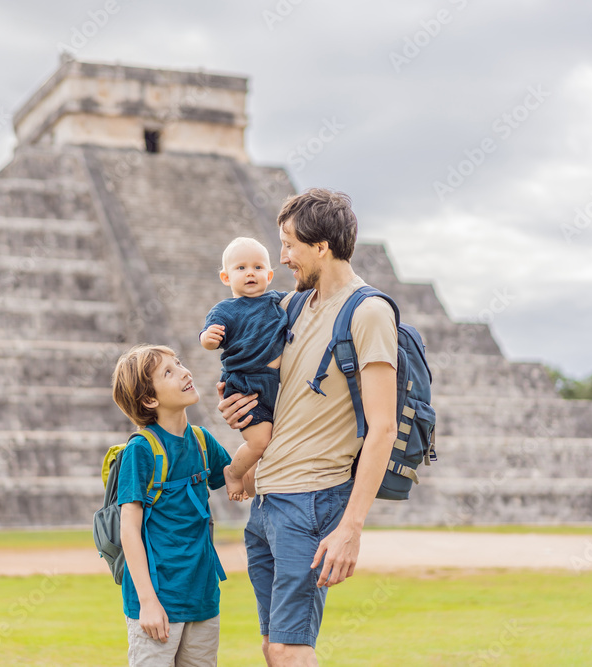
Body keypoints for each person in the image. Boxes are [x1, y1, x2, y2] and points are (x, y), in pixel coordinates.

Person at [217, 189, 399, 666]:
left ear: (321, 246)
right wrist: (240, 412)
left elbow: (383, 428)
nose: (281, 258)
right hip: (268, 500)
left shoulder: (368, 312)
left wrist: (351, 528)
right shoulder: (294, 306)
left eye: (290, 245)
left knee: (289, 648)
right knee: (272, 645)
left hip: (313, 500)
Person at [112, 344, 233, 667]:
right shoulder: (141, 449)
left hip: (203, 596)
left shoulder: (202, 440)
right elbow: (129, 529)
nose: (184, 372)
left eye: (179, 364)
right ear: (150, 400)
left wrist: (245, 420)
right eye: (169, 372)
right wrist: (149, 603)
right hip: (158, 600)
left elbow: (241, 483)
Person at [200, 237, 287, 501]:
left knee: (272, 442)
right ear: (226, 278)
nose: (251, 272)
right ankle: (234, 473)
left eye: (258, 267)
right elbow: (207, 336)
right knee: (259, 442)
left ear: (269, 275)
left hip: (274, 384)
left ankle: (250, 476)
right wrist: (208, 339)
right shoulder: (226, 310)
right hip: (244, 385)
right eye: (241, 268)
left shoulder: (278, 301)